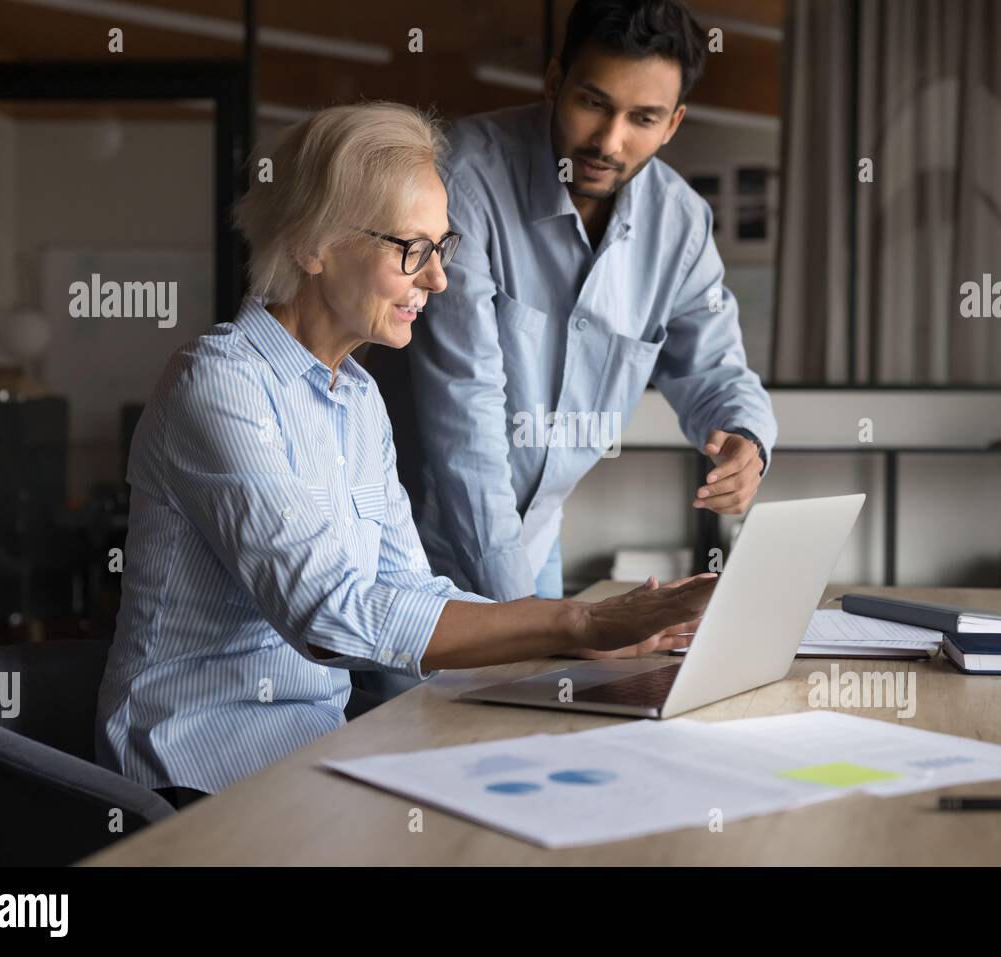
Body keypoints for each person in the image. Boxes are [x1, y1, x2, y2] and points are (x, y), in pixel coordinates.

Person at [94, 102, 715, 808]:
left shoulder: (357, 398)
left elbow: (412, 593)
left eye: (440, 249)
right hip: (195, 780)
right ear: (311, 243)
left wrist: (579, 643)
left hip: (315, 759)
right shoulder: (217, 383)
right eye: (410, 251)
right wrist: (575, 621)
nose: (437, 281)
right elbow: (329, 616)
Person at [397, 0, 777, 607]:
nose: (609, 140)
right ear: (555, 81)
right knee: (424, 705)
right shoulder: (462, 181)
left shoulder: (680, 224)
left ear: (674, 122)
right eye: (593, 103)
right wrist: (539, 624)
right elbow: (464, 417)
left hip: (533, 535)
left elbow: (713, 368)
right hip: (417, 546)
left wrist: (746, 438)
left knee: (543, 698)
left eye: (643, 118)